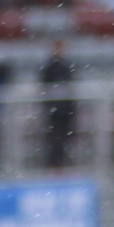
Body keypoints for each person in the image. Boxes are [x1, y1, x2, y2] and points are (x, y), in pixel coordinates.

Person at [39, 39, 75, 170]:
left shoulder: (67, 67)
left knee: (66, 137)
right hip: (54, 109)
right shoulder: (50, 68)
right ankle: (54, 164)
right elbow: (45, 87)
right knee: (54, 138)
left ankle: (63, 162)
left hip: (65, 108)